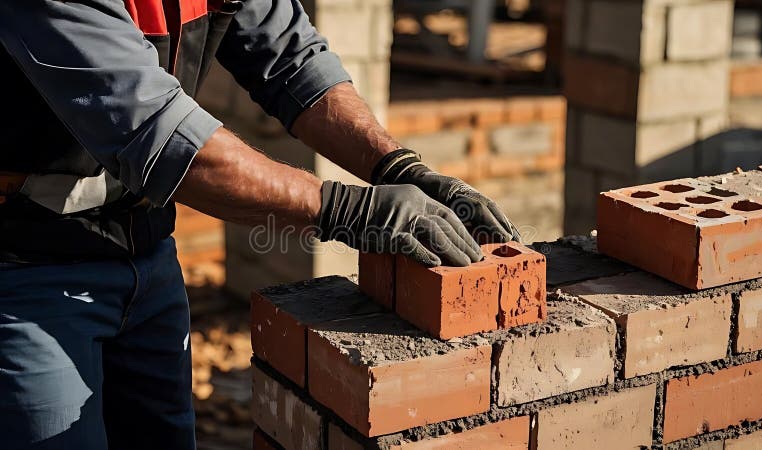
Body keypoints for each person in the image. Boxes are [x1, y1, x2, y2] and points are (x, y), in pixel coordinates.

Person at [0, 0, 519, 448]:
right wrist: (350, 210)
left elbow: (293, 63)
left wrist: (399, 168)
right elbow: (160, 138)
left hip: (145, 250)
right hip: (26, 267)